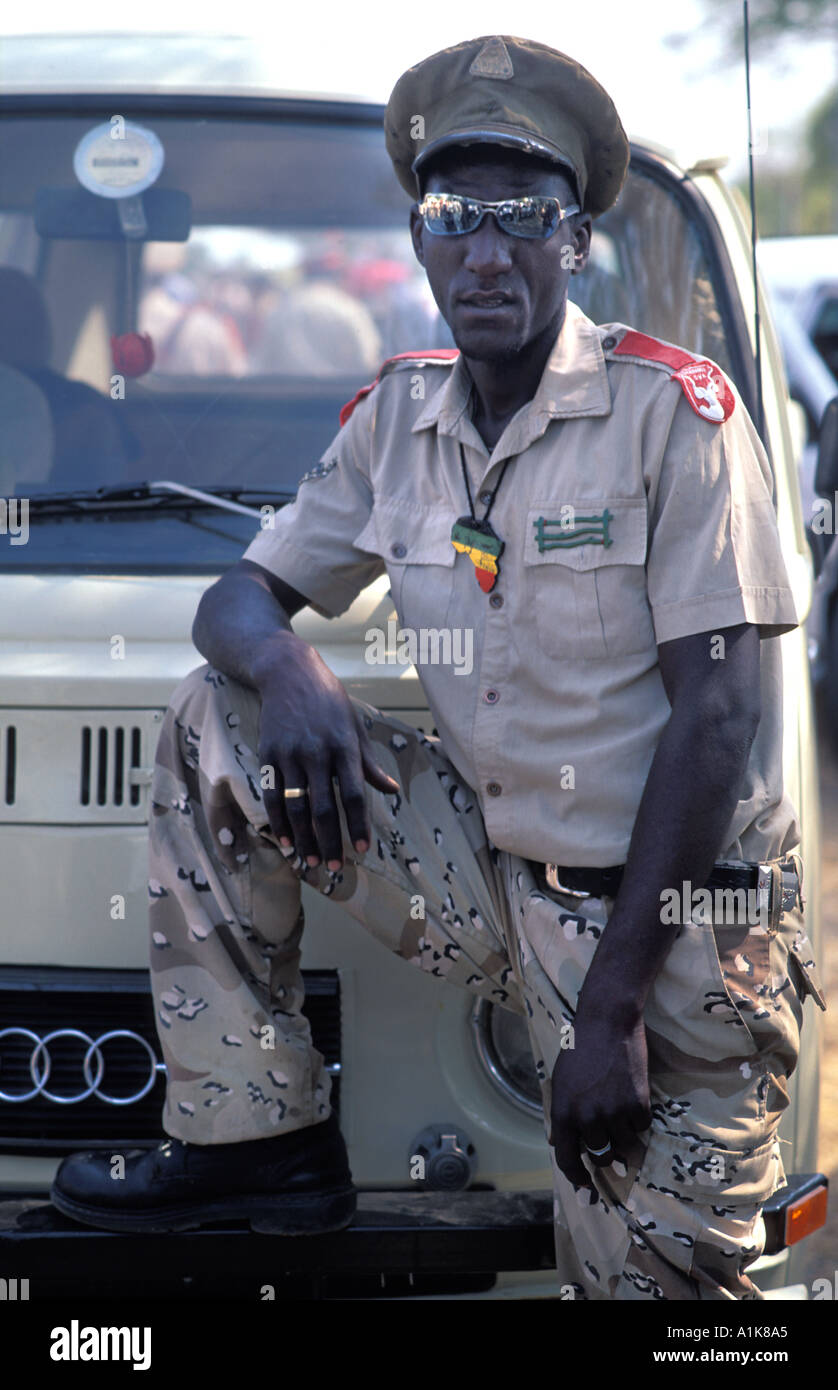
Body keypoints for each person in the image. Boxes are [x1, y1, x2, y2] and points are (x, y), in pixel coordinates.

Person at [51, 34, 826, 1300]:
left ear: (574, 242)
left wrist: (608, 1011)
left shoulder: (673, 419)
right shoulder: (398, 421)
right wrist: (292, 673)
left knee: (660, 1302)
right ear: (419, 240)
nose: (484, 251)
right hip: (493, 870)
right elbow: (235, 599)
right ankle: (258, 1144)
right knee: (221, 717)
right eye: (452, 215)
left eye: (521, 217)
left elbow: (721, 714)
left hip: (671, 929)